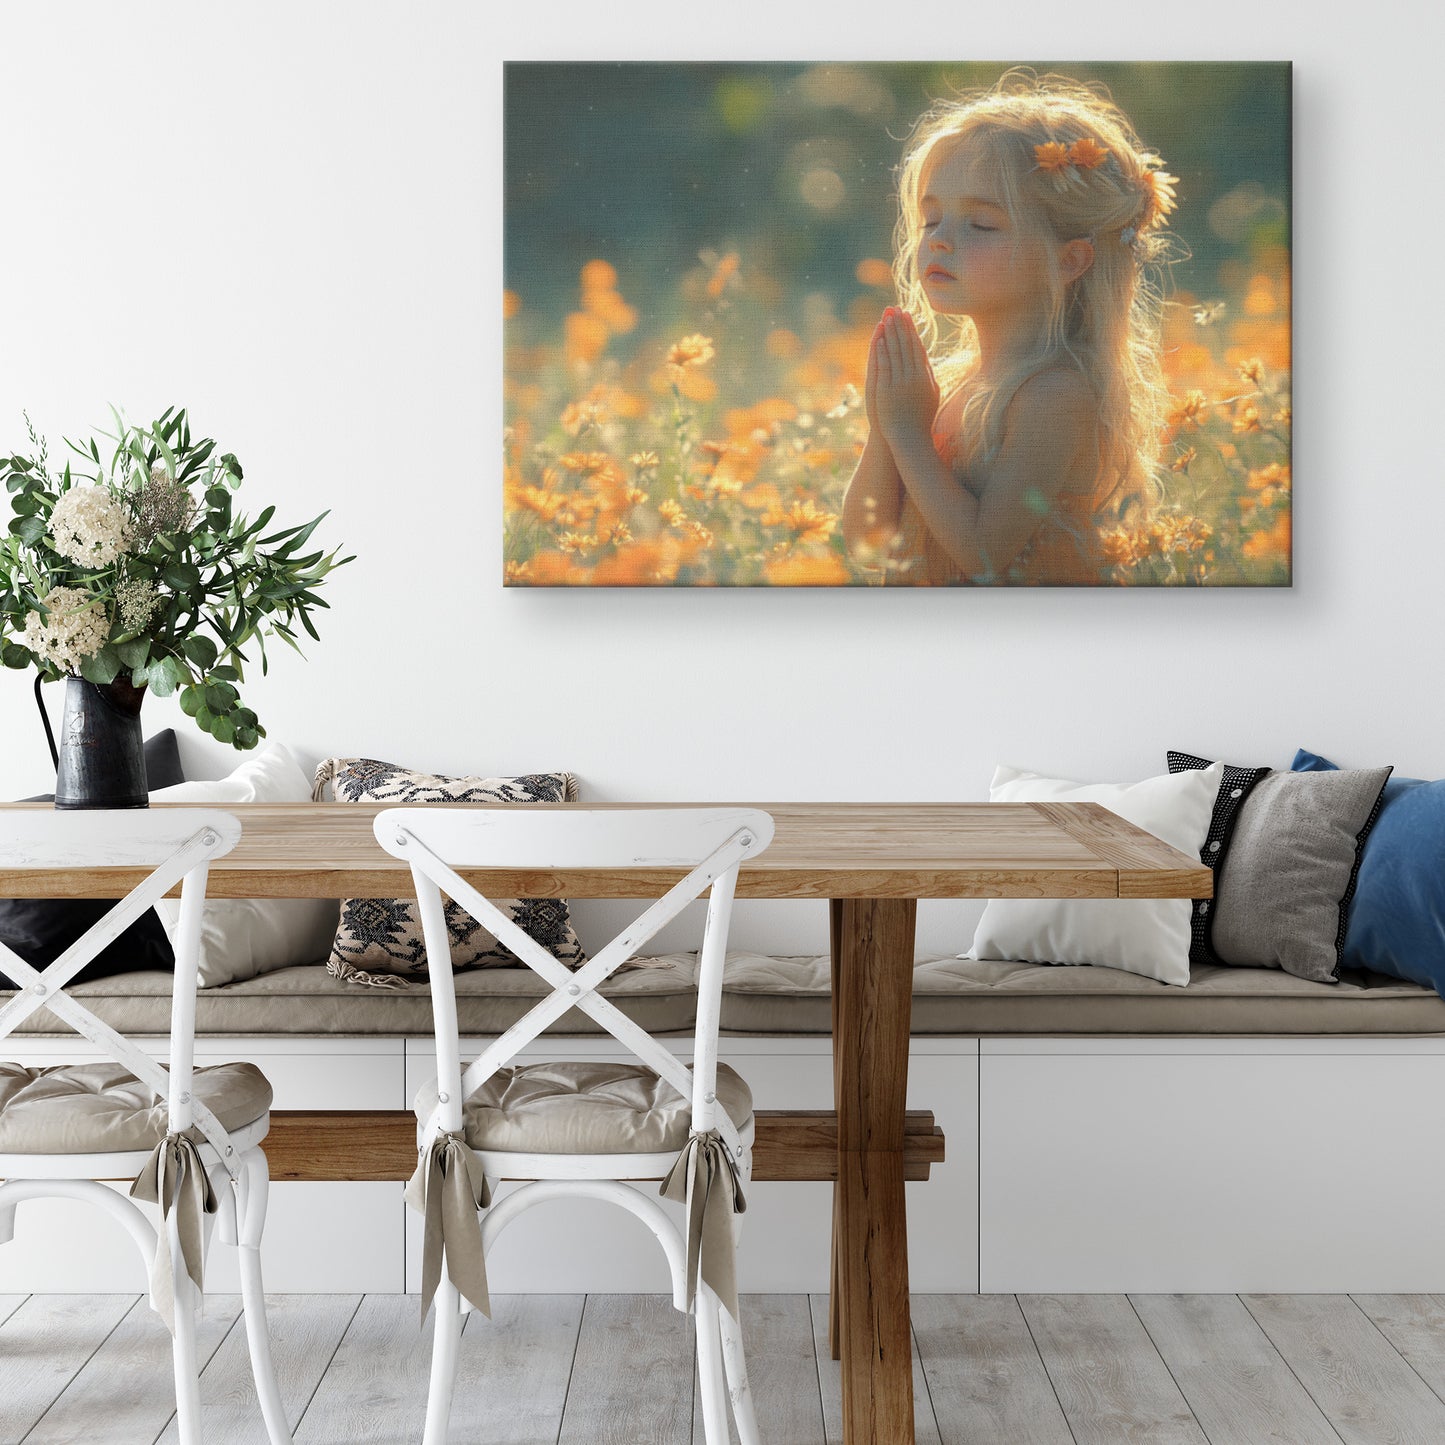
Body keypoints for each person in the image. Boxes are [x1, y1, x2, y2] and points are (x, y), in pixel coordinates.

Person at [841, 72, 1179, 585]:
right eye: (931, 221)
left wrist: (910, 433)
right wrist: (886, 425)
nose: (941, 242)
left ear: (1070, 260)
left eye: (981, 225)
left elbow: (983, 555)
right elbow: (867, 546)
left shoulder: (1053, 393)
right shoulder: (955, 382)